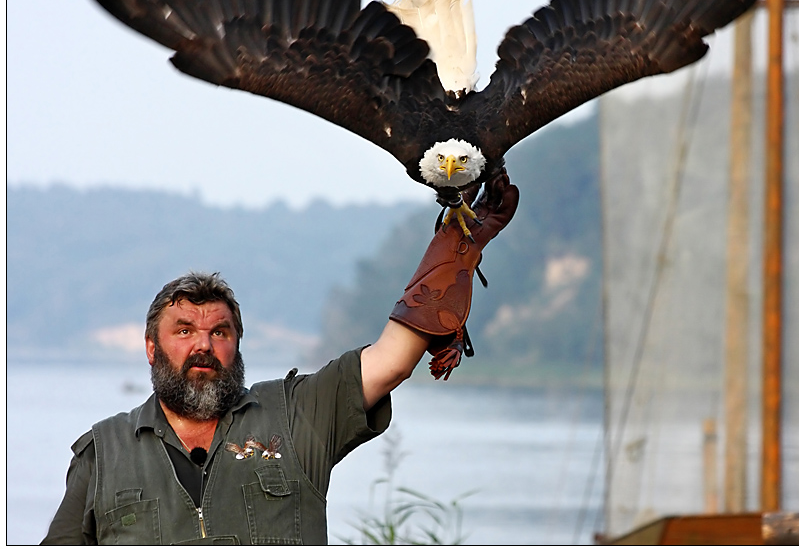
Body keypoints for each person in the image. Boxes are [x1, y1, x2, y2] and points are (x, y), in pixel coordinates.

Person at [41, 172, 518, 545]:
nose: (203, 345)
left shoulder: (297, 415)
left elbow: (391, 360)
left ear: (238, 344)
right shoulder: (103, 454)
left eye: (220, 332)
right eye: (184, 331)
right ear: (151, 348)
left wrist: (457, 248)